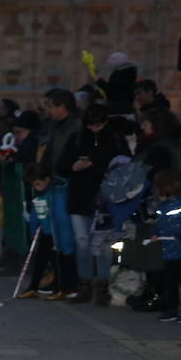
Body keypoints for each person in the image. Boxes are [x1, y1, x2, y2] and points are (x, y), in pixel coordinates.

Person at [55, 105, 127, 303]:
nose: (95, 129)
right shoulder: (77, 138)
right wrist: (73, 167)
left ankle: (102, 285)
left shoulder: (115, 139)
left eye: (99, 125)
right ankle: (84, 284)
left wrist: (97, 165)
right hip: (80, 196)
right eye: (91, 125)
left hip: (106, 199)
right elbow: (60, 165)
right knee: (82, 241)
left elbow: (125, 163)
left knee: (104, 245)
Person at [16, 164, 77, 300]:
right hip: (45, 232)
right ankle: (33, 287)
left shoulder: (57, 193)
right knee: (40, 260)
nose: (36, 187)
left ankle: (61, 289)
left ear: (47, 179)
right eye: (34, 185)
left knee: (58, 262)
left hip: (58, 234)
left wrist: (63, 239)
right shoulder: (40, 193)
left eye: (38, 184)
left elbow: (62, 218)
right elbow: (35, 213)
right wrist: (33, 229)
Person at [150, 169, 181, 323]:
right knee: (170, 280)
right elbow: (161, 222)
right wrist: (156, 233)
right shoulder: (163, 205)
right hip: (169, 249)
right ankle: (172, 309)